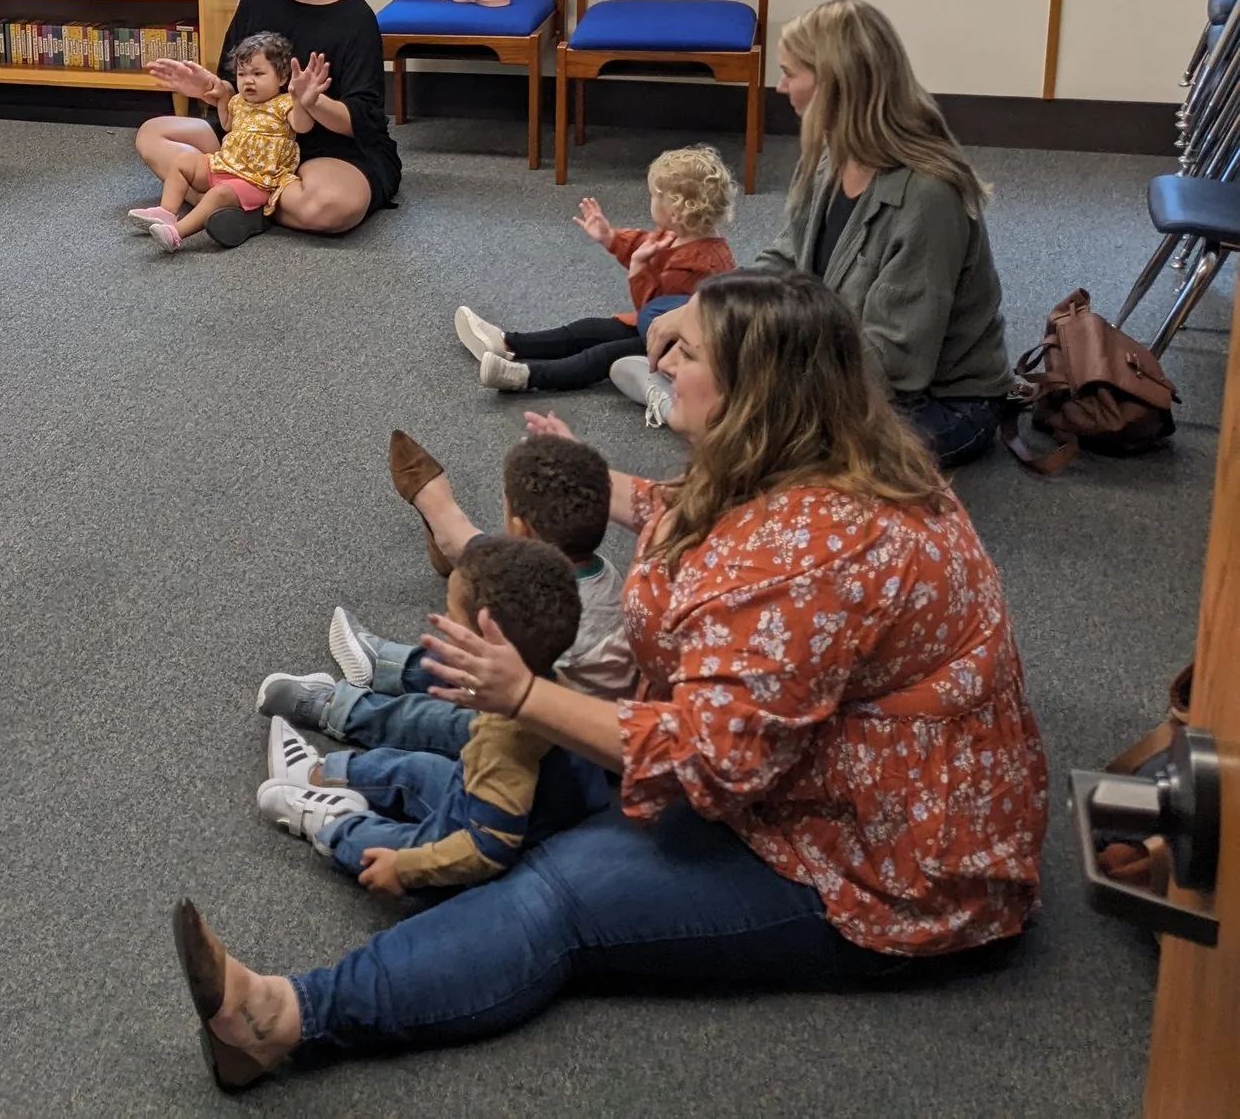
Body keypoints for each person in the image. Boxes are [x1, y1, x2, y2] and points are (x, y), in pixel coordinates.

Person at [171, 271, 1046, 1090]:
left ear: (755, 398)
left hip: (880, 860)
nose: (662, 358)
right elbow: (678, 509)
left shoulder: (814, 550)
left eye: (689, 353)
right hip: (802, 774)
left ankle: (280, 1019)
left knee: (563, 890)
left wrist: (524, 693)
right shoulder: (813, 459)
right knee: (531, 775)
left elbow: (713, 761)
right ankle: (399, 835)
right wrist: (589, 483)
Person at [628, 0, 1009, 466]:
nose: (781, 86)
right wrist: (703, 309)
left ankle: (695, 403)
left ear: (834, 83)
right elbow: (784, 261)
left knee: (794, 449)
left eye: (791, 73)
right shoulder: (834, 154)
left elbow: (894, 363)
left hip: (935, 403)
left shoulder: (929, 196)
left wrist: (754, 366)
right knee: (666, 312)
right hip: (828, 342)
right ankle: (704, 393)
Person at [254, 536, 596, 901]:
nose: (444, 623)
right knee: (411, 768)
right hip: (471, 793)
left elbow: (487, 849)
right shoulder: (549, 681)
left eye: (452, 620)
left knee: (384, 846)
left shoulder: (506, 743)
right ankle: (317, 774)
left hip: (473, 840)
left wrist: (404, 868)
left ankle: (335, 825)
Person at [258, 431, 633, 760]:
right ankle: (388, 665)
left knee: (434, 721)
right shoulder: (607, 577)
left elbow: (512, 683)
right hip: (567, 690)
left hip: (551, 734)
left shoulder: (532, 609)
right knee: (465, 664)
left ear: (519, 527)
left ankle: (338, 709)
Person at [141, 0, 399, 245]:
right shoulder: (257, 1)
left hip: (323, 150)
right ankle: (242, 200)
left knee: (332, 206)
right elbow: (236, 94)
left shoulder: (356, 20)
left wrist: (313, 102)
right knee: (151, 134)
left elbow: (362, 121)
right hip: (250, 141)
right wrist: (210, 88)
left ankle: (230, 202)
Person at [455, 145, 735, 395]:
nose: (649, 200)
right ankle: (508, 343)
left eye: (653, 196)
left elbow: (652, 317)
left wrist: (637, 269)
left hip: (676, 346)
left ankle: (525, 376)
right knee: (586, 329)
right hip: (661, 331)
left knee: (600, 356)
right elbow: (644, 245)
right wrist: (611, 237)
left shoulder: (699, 263)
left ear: (674, 211)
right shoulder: (684, 234)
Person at [134, 32, 312, 253]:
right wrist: (221, 98)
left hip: (257, 180)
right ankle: (167, 211)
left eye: (258, 73)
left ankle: (177, 232)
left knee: (218, 195)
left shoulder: (284, 104)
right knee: (182, 162)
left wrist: (301, 100)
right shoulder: (238, 101)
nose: (248, 81)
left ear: (283, 78)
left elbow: (302, 126)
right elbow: (227, 125)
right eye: (241, 73)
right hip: (225, 164)